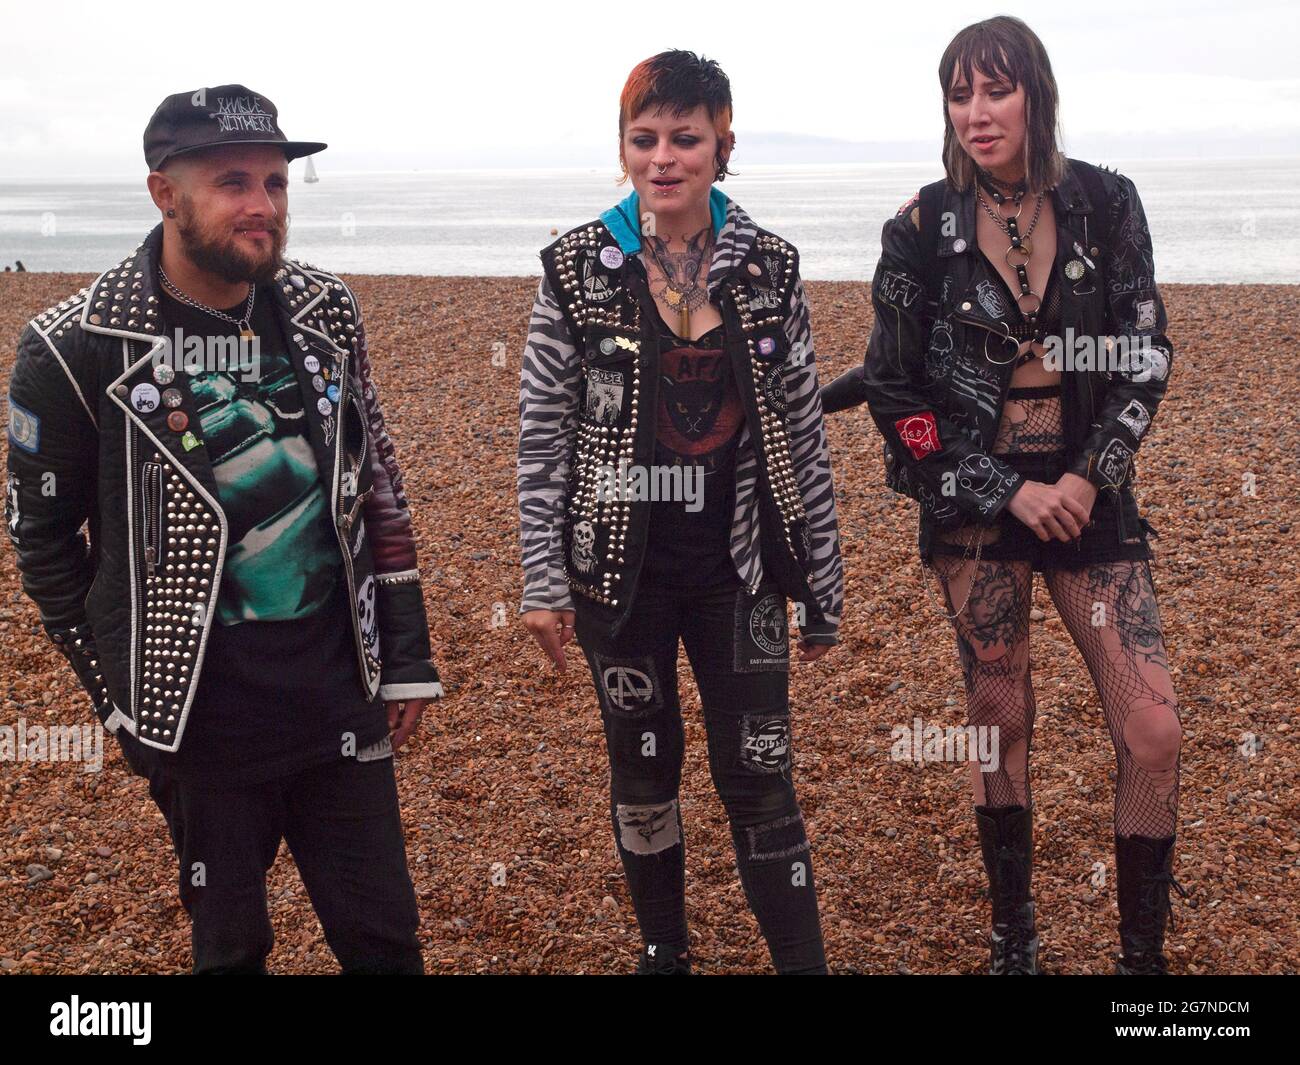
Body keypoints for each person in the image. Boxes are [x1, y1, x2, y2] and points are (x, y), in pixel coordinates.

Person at [6, 84, 442, 974]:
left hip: (338, 694)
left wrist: (405, 656)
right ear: (165, 194)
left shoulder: (324, 308)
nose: (263, 206)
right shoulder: (74, 346)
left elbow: (375, 481)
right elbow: (43, 542)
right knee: (232, 947)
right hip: (200, 716)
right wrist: (118, 699)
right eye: (234, 183)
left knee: (385, 940)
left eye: (275, 183)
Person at [854, 18, 1183, 974]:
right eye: (959, 95)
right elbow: (895, 393)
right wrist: (1002, 489)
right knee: (998, 720)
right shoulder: (920, 229)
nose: (977, 112)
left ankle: (1142, 965)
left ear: (1036, 93)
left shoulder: (1106, 203)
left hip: (1089, 497)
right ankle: (1015, 939)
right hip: (976, 510)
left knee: (1153, 729)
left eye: (995, 90)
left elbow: (1145, 354)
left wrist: (1086, 474)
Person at [517, 50, 843, 974]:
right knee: (642, 769)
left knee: (761, 773)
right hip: (618, 574)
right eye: (644, 138)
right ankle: (665, 951)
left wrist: (822, 584)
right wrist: (542, 580)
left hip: (740, 569)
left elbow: (804, 429)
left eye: (685, 139)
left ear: (721, 146)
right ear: (623, 148)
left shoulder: (771, 267)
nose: (663, 158)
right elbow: (542, 434)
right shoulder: (576, 267)